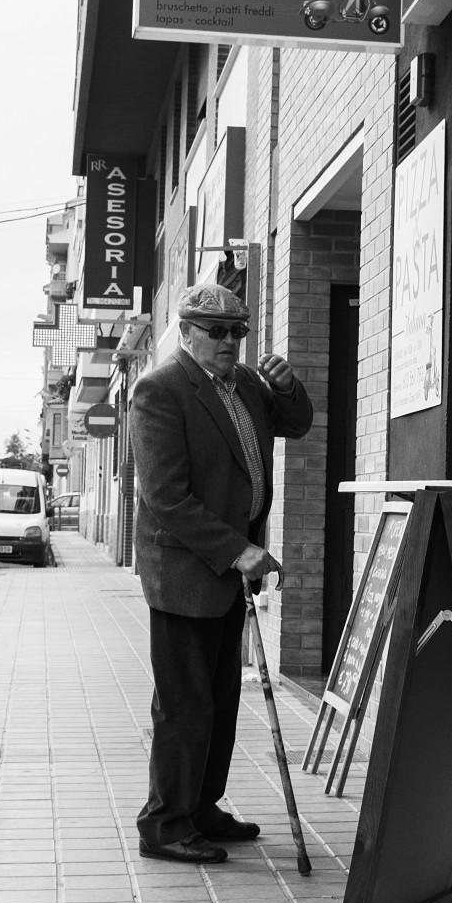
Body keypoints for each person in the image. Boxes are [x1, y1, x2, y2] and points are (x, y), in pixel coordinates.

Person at [132, 283, 314, 864]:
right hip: (187, 572)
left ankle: (202, 807)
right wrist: (239, 551)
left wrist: (287, 386)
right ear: (186, 333)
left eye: (238, 330)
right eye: (217, 332)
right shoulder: (160, 390)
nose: (231, 341)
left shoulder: (246, 386)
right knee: (185, 705)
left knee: (220, 699)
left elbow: (297, 423)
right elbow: (166, 497)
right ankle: (165, 823)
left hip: (229, 572)